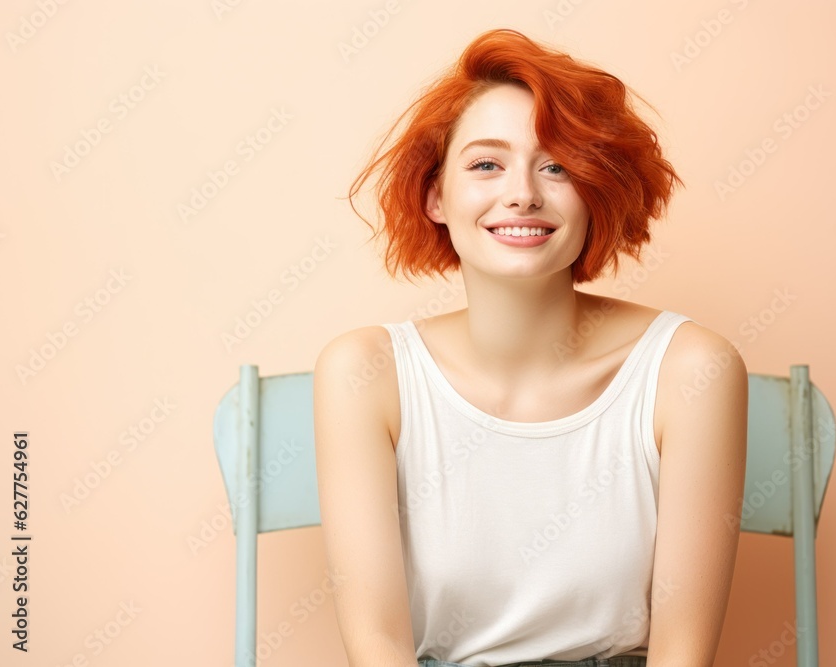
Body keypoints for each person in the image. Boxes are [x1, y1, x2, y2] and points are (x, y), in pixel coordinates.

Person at [314, 28, 748, 667]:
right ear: (436, 195)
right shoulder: (364, 373)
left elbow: (684, 653)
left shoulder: (691, 371)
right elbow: (376, 642)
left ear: (597, 190)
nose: (522, 193)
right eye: (486, 163)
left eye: (558, 165)